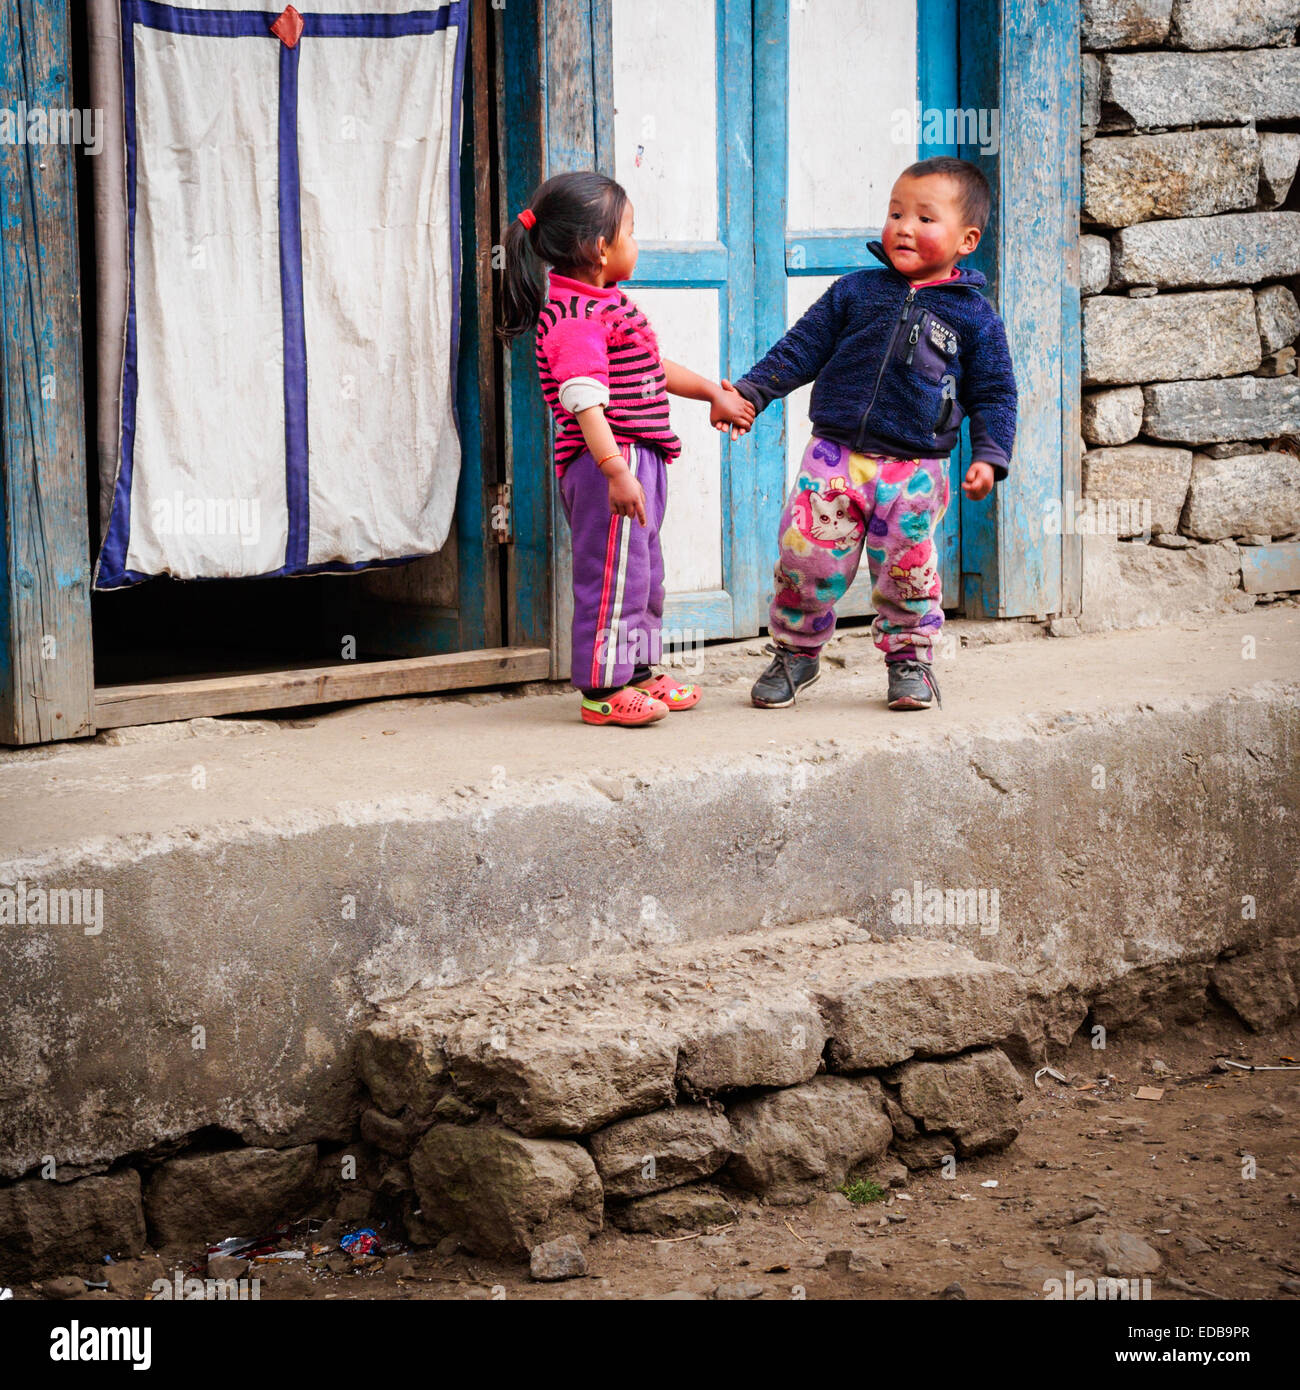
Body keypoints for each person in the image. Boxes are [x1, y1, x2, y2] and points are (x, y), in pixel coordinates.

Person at [732, 156, 1018, 711]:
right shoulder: (855, 291)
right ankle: (797, 652)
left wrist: (989, 454)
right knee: (806, 559)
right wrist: (752, 392)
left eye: (924, 218)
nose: (903, 227)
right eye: (895, 213)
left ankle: (910, 660)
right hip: (833, 456)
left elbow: (996, 392)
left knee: (907, 570)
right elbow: (801, 348)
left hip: (914, 469)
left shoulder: (976, 316)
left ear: (967, 239)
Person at [499, 171, 755, 726]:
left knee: (641, 572)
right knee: (611, 574)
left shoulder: (607, 304)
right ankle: (601, 688)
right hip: (606, 466)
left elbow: (651, 369)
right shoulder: (574, 319)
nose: (636, 244)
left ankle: (637, 669)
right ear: (598, 248)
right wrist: (615, 469)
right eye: (631, 232)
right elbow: (585, 402)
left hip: (639, 460)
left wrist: (711, 390)